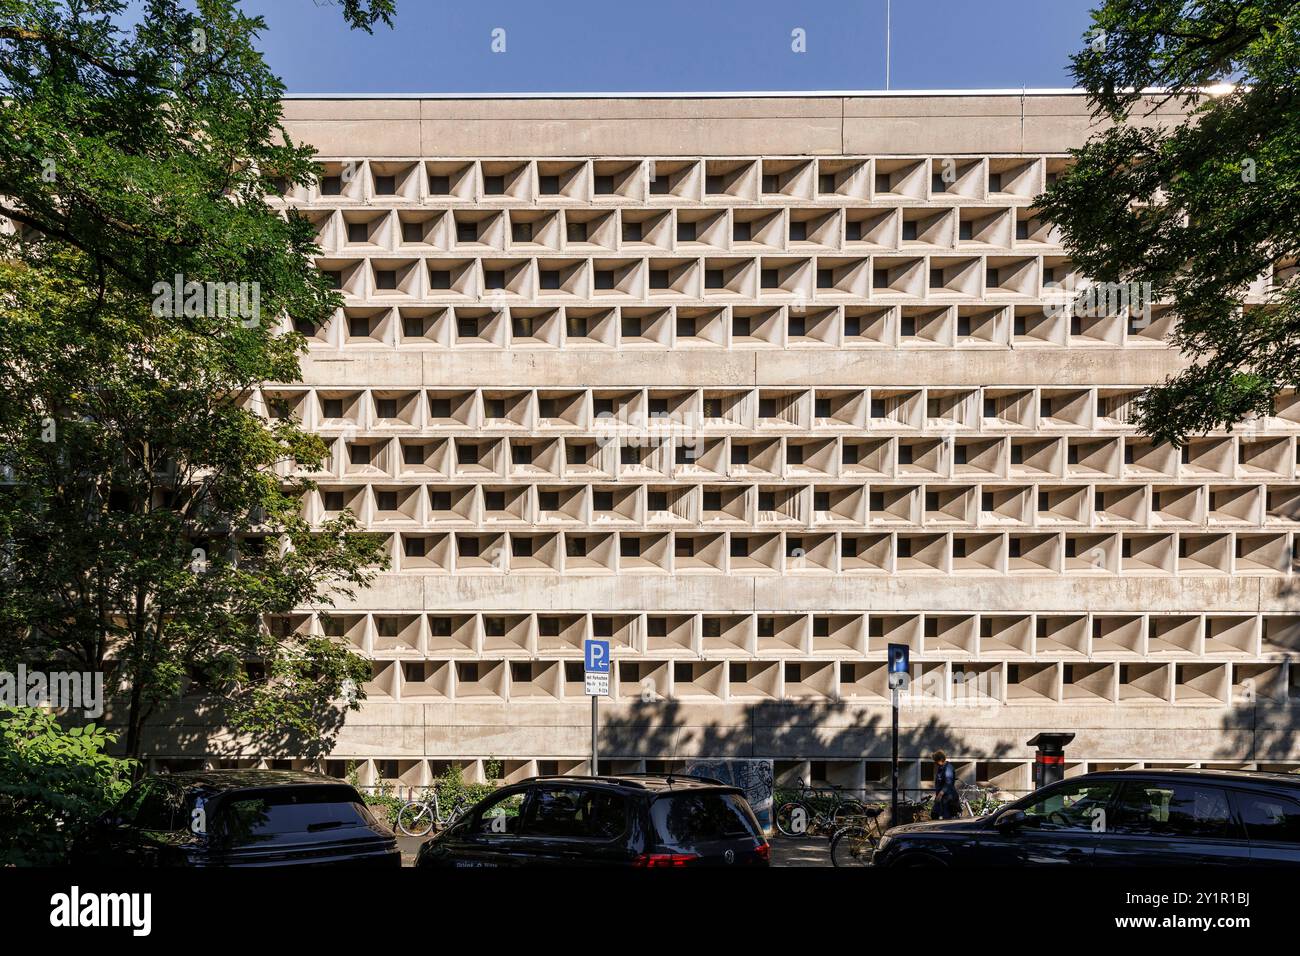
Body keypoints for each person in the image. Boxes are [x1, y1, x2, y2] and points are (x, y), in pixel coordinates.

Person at [931, 750, 960, 820]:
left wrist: (941, 794)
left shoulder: (948, 768)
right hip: (941, 798)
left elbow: (948, 783)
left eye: (935, 761)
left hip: (948, 798)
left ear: (940, 759)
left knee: (946, 818)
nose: (934, 763)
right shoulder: (940, 768)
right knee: (934, 815)